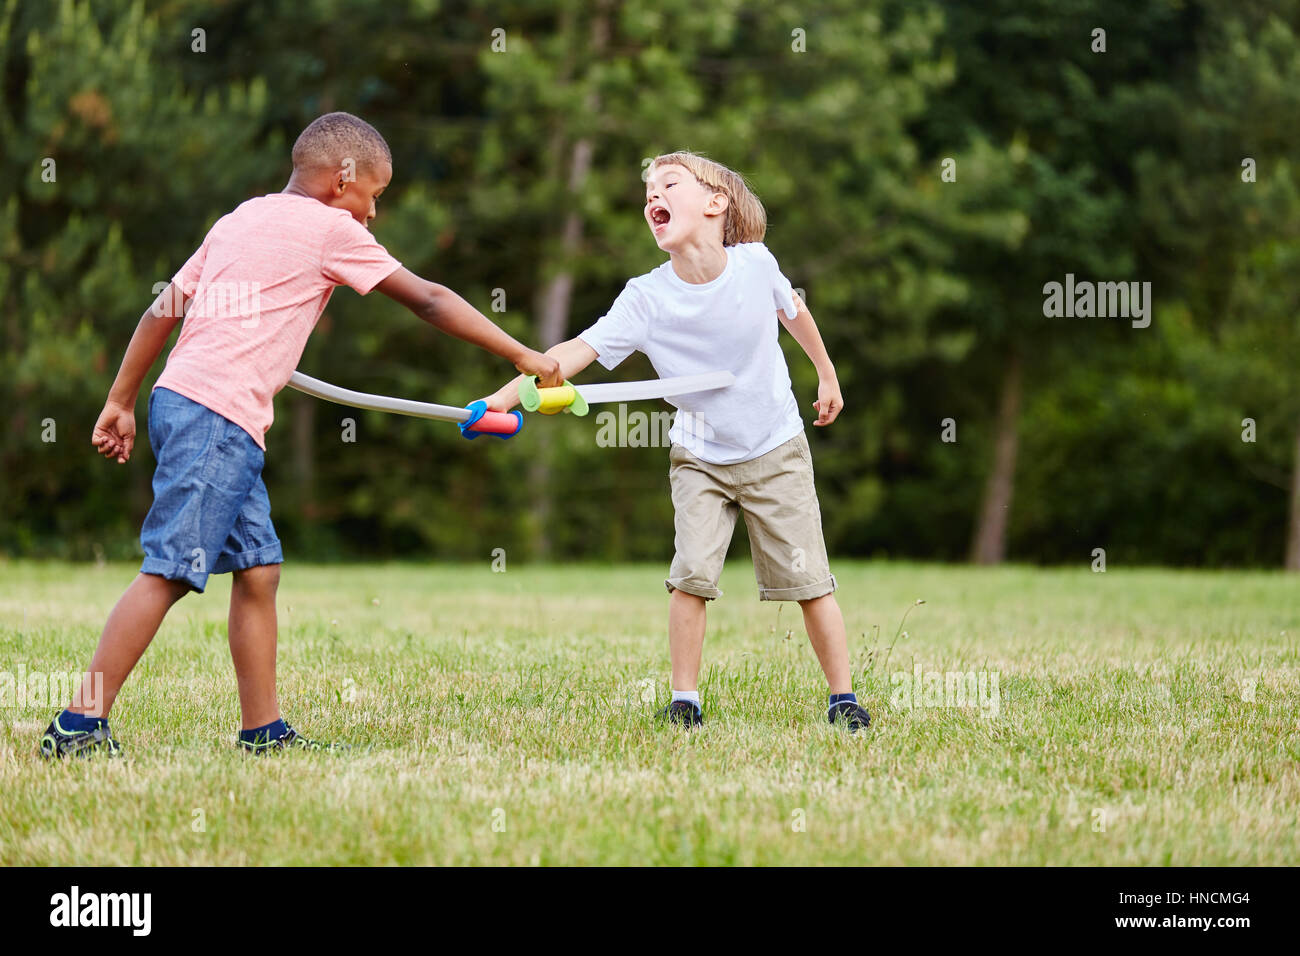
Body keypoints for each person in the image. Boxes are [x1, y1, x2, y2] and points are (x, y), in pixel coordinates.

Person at [41, 112, 560, 758]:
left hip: (186, 401)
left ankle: (263, 732)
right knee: (171, 570)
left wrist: (120, 400)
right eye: (374, 194)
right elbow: (427, 298)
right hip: (218, 414)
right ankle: (77, 725)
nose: (372, 215)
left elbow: (162, 310)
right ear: (342, 178)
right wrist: (523, 355)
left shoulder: (240, 218)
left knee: (258, 569)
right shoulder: (329, 228)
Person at [486, 151, 869, 730]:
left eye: (669, 184)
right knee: (691, 574)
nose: (652, 197)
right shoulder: (646, 297)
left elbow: (794, 312)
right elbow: (572, 354)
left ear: (717, 204)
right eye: (648, 191)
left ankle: (844, 699)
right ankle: (684, 701)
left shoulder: (756, 265)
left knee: (809, 580)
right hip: (700, 456)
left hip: (775, 446)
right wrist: (503, 397)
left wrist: (827, 371)